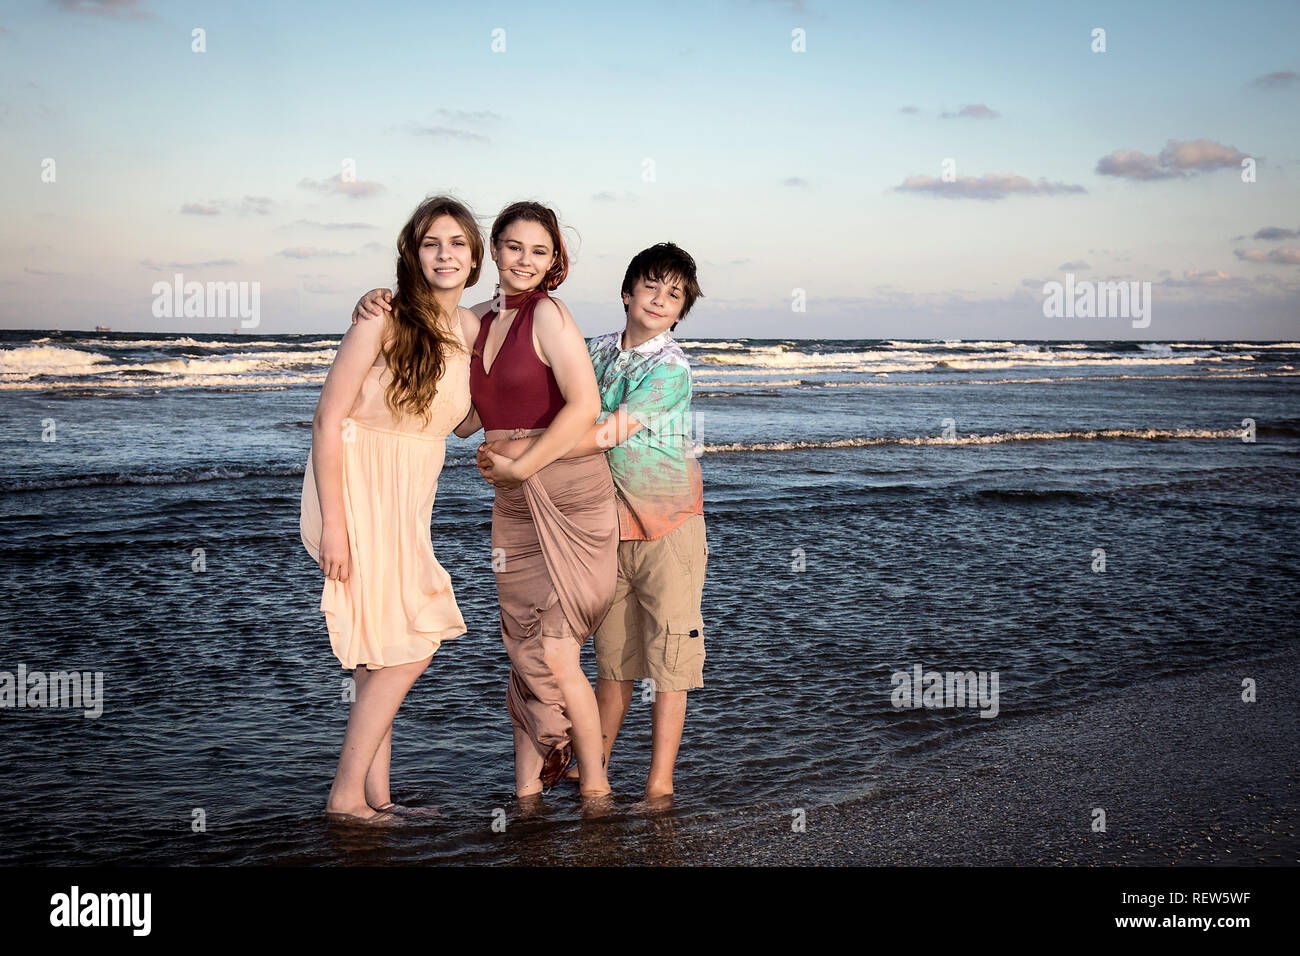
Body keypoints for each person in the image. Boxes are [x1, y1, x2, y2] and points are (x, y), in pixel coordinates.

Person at [352, 201, 616, 799]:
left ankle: (596, 790)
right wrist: (376, 302)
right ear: (490, 250)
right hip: (511, 494)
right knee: (521, 643)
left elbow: (584, 406)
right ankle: (527, 792)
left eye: (540, 252)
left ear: (554, 262)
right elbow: (462, 411)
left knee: (557, 647)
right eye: (514, 247)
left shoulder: (548, 314)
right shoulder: (473, 322)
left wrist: (520, 463)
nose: (525, 261)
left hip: (570, 490)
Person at [301, 195, 485, 825]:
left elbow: (462, 424)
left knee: (380, 648)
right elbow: (327, 419)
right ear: (414, 252)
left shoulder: (467, 329)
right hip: (355, 486)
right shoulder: (380, 318)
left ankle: (376, 799)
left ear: (474, 257)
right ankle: (346, 796)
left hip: (409, 494)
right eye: (433, 242)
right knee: (417, 640)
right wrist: (335, 525)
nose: (445, 253)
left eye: (458, 243)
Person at [533, 242, 708, 803]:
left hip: (668, 528)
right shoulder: (595, 351)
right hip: (605, 532)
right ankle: (595, 765)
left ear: (682, 311)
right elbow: (545, 386)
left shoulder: (670, 369)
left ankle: (659, 784)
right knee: (614, 662)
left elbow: (607, 432)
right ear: (628, 291)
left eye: (674, 294)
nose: (660, 300)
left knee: (670, 662)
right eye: (651, 286)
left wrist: (528, 458)